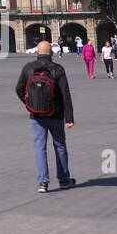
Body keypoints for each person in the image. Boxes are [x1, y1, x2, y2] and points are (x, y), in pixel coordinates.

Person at [14, 40, 75, 192]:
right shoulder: (58, 69)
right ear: (52, 53)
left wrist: (29, 103)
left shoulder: (28, 68)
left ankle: (43, 183)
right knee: (60, 146)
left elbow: (19, 89)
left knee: (39, 147)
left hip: (36, 115)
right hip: (56, 114)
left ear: (36, 52)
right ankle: (63, 179)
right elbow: (65, 94)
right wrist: (69, 118)